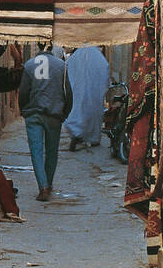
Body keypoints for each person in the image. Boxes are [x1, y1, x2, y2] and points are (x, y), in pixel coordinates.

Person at [18, 42, 73, 202]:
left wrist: (23, 109)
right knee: (51, 152)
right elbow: (68, 92)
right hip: (54, 114)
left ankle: (42, 187)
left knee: (36, 151)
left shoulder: (29, 65)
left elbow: (23, 92)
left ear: (39, 47)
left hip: (33, 114)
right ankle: (48, 184)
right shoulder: (61, 65)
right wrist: (65, 113)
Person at [65, 45, 110, 150]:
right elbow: (105, 73)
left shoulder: (76, 56)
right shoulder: (99, 58)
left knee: (77, 110)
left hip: (77, 91)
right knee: (94, 113)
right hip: (94, 92)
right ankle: (93, 139)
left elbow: (67, 71)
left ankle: (76, 133)